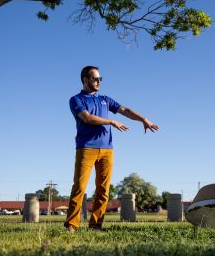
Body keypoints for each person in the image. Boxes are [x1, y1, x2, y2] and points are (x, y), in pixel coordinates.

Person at [64, 65, 159, 232]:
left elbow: (125, 110)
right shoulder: (76, 99)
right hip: (86, 148)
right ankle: (71, 226)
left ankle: (95, 226)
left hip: (107, 150)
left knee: (103, 190)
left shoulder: (105, 99)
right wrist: (111, 122)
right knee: (79, 188)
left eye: (100, 78)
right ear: (85, 80)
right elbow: (87, 118)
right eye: (95, 78)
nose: (99, 81)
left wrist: (143, 119)